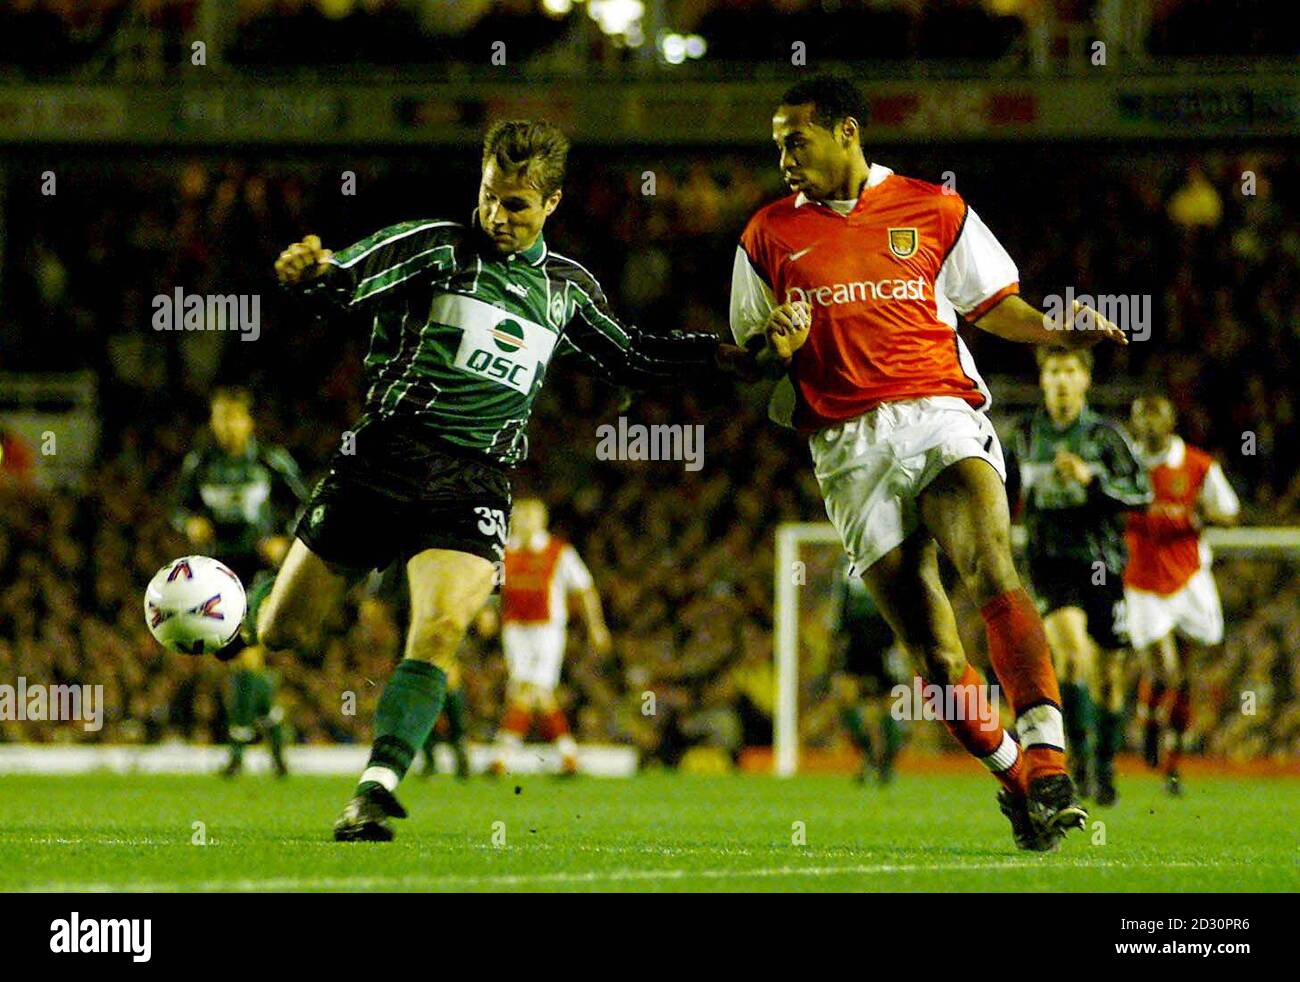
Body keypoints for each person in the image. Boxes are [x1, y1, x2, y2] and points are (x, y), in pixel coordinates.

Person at [257, 120, 743, 841]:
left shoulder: (567, 289)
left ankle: (375, 787)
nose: (497, 216)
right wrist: (311, 273)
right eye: (488, 197)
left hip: (474, 481)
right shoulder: (435, 246)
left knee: (443, 625)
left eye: (516, 204)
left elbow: (633, 357)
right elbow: (347, 284)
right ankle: (239, 621)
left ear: (551, 203)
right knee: (282, 633)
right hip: (384, 460)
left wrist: (737, 357)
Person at [730, 75, 1128, 850]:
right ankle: (1018, 776)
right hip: (846, 448)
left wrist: (1058, 334)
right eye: (778, 143)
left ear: (847, 131)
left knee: (990, 566)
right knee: (936, 656)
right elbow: (751, 351)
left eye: (795, 139)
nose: (784, 157)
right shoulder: (766, 237)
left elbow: (992, 305)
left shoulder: (934, 209)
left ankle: (1047, 751)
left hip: (940, 412)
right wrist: (769, 348)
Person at [1005, 348, 1151, 806]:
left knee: (1109, 674)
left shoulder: (1106, 436)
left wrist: (1092, 480)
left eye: (1070, 371)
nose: (1062, 381)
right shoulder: (1023, 435)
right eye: (1053, 371)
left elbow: (1141, 494)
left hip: (1102, 561)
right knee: (1069, 654)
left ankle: (1103, 767)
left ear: (1086, 380)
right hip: (1049, 561)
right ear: (1042, 379)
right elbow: (1003, 490)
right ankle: (1078, 763)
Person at [173, 387, 306, 777]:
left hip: (262, 568)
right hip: (218, 570)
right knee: (243, 660)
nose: (226, 427)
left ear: (248, 422)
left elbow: (306, 502)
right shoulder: (200, 463)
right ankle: (277, 735)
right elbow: (179, 507)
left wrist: (284, 538)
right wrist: (190, 522)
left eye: (233, 418)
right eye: (220, 418)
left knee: (245, 652)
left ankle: (237, 750)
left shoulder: (270, 460)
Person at [1125, 395, 1240, 795]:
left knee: (1185, 677)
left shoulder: (1197, 465)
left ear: (1171, 421)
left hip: (1188, 577)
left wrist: (1198, 516)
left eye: (1157, 417)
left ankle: (1173, 764)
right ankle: (1149, 721)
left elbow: (1229, 511)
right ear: (1135, 423)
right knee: (1164, 669)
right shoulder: (1125, 463)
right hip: (1140, 579)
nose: (1151, 425)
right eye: (1143, 417)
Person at [488, 497, 610, 777]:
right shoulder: (503, 550)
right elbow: (491, 588)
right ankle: (568, 755)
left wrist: (596, 626)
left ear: (542, 520)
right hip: (514, 629)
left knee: (528, 688)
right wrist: (486, 612)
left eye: (531, 516)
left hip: (547, 629)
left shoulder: (559, 551)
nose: (525, 522)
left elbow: (585, 589)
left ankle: (502, 756)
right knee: (536, 692)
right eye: (520, 516)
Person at [830, 557, 907, 785]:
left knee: (885, 707)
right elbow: (839, 611)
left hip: (885, 643)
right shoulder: (845, 567)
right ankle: (870, 755)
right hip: (855, 644)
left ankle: (885, 763)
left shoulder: (890, 563)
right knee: (844, 699)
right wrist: (835, 643)